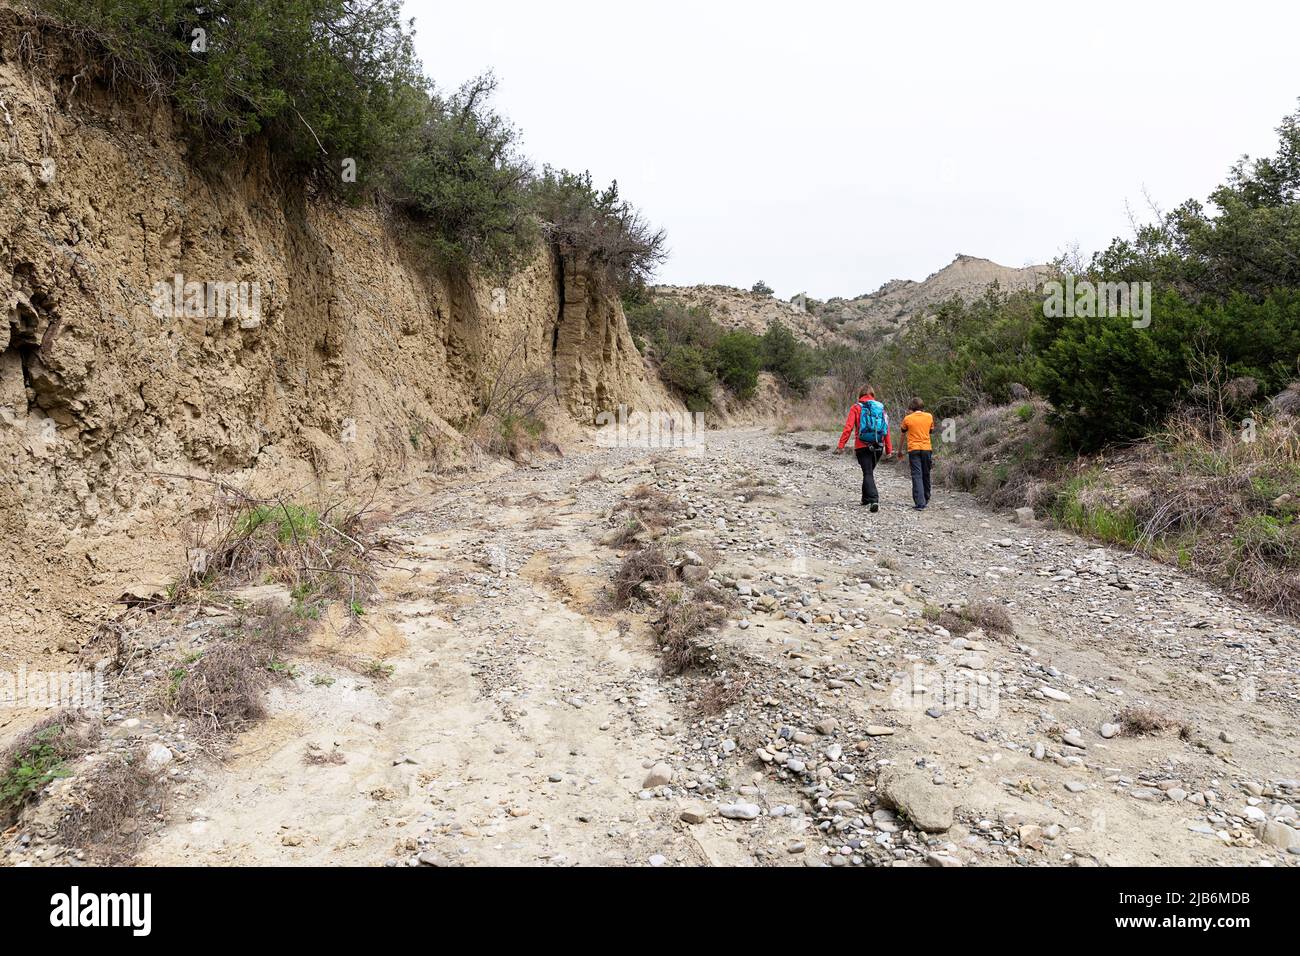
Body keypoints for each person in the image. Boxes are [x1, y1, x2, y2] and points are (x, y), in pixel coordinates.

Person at [833, 387, 892, 511]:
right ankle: (865, 498)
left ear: (860, 395)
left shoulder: (856, 407)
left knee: (867, 472)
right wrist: (889, 449)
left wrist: (841, 446)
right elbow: (886, 430)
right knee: (868, 472)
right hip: (878, 445)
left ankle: (874, 499)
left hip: (862, 445)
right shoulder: (880, 408)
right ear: (873, 394)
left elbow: (848, 428)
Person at [900, 397, 935, 510]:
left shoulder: (907, 419)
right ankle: (926, 496)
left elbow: (903, 434)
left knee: (916, 475)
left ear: (911, 408)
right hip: (926, 448)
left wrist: (900, 450)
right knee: (926, 473)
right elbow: (930, 431)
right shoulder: (929, 416)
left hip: (913, 449)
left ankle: (920, 503)